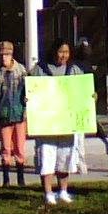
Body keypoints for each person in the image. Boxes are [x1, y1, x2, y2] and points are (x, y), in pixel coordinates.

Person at [31, 39, 86, 204]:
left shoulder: (75, 70)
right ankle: (48, 193)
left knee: (65, 157)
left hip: (67, 123)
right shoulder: (39, 70)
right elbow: (31, 91)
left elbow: (83, 92)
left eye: (66, 52)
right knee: (47, 157)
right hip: (46, 123)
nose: (63, 55)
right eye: (61, 51)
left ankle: (63, 190)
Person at [0, 40, 28, 188]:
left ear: (12, 55)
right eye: (2, 54)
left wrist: (27, 109)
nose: (4, 57)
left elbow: (28, 92)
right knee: (6, 148)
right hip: (3, 115)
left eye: (7, 54)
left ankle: (21, 179)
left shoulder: (21, 70)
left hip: (19, 115)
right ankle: (6, 179)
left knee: (20, 148)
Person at [74, 37, 108, 156]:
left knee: (91, 120)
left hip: (89, 95)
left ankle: (106, 139)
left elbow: (95, 79)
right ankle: (106, 139)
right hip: (78, 97)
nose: (85, 51)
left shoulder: (90, 64)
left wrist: (95, 92)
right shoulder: (75, 65)